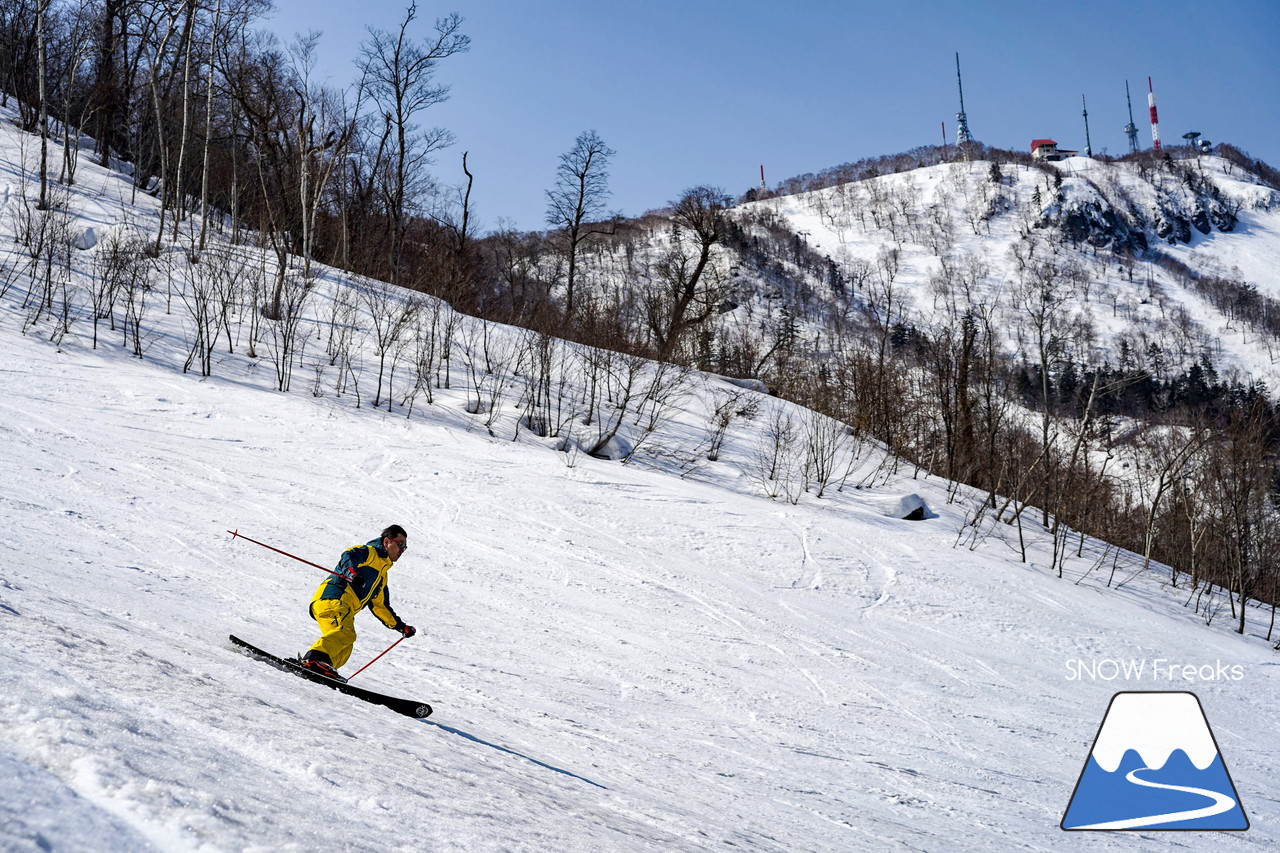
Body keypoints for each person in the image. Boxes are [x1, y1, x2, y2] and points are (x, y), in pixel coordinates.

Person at [298, 525, 416, 682]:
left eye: (405, 547)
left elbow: (380, 606)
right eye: (400, 544)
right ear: (387, 541)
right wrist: (352, 574)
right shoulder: (370, 552)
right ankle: (313, 660)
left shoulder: (381, 575)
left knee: (345, 647)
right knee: (346, 633)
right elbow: (349, 556)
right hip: (335, 598)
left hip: (336, 607)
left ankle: (323, 668)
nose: (402, 550)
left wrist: (401, 627)